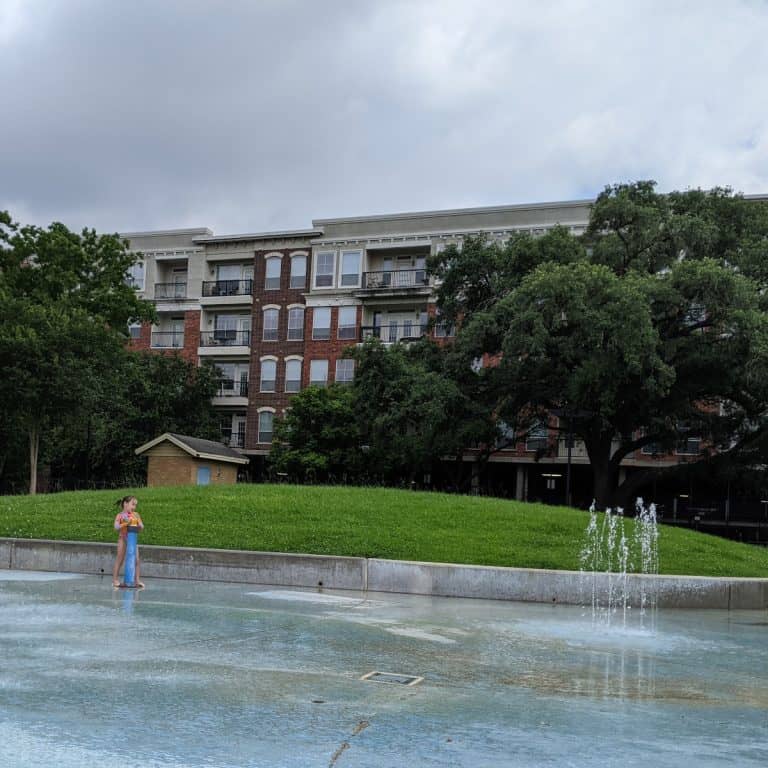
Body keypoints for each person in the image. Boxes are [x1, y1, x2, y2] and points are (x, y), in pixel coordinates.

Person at [112, 495, 144, 588]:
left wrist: (138, 525)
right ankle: (115, 580)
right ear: (125, 504)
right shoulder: (120, 515)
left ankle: (137, 580)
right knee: (120, 559)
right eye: (132, 504)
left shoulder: (136, 515)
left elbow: (142, 527)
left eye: (135, 505)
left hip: (133, 540)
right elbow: (116, 527)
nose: (134, 507)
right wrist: (125, 523)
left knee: (137, 560)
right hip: (123, 539)